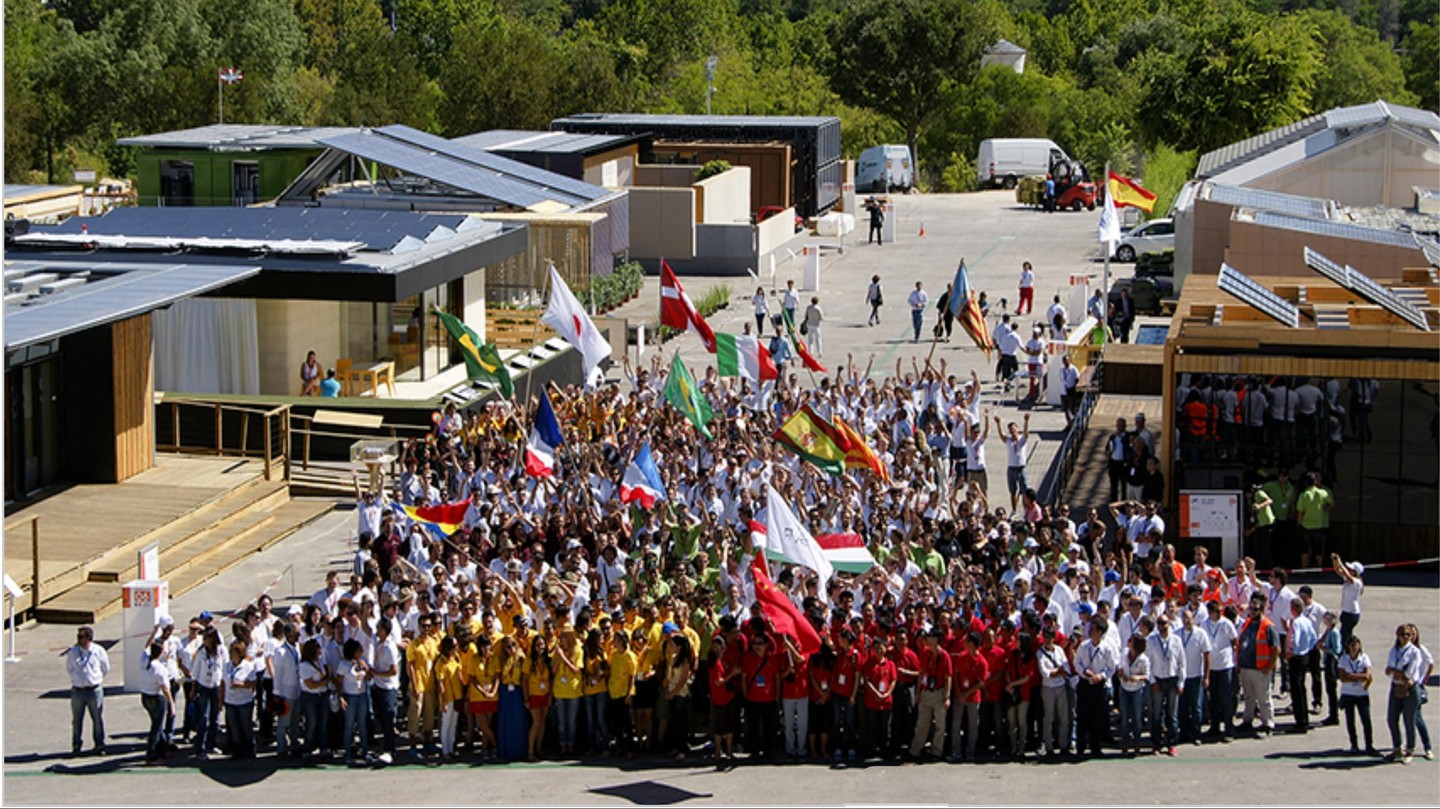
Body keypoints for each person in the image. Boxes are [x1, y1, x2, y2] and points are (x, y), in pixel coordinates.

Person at [1237, 593, 1279, 736]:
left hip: (1261, 669)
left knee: (1264, 698)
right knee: (1248, 697)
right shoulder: (1247, 624)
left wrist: (1269, 667)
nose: (1251, 612)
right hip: (1246, 666)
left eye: (1255, 610)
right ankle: (1247, 720)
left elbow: (1275, 649)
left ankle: (1268, 724)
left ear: (1261, 611)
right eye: (1250, 609)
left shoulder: (1268, 627)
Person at [66, 626, 109, 757]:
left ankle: (99, 745)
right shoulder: (73, 652)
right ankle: (76, 746)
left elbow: (105, 667)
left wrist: (95, 679)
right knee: (77, 720)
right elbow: (69, 668)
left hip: (94, 690)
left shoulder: (98, 651)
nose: (78, 640)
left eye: (81, 637)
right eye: (78, 637)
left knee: (97, 718)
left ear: (89, 638)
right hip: (78, 690)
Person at [1385, 623, 1423, 763]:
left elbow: (1409, 673)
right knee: (1392, 719)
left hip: (1409, 690)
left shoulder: (1415, 652)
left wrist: (1397, 673)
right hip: (1396, 686)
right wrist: (1396, 673)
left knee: (1409, 720)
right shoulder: (1394, 650)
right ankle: (1397, 748)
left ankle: (1410, 749)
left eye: (1407, 635)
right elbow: (1388, 670)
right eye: (1402, 635)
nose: (1405, 637)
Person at [1338, 634, 1377, 755]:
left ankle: (1369, 745)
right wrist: (1359, 677)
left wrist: (1352, 676)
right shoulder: (1344, 659)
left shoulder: (1364, 658)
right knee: (1350, 721)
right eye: (1352, 645)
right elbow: (1342, 678)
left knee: (1366, 720)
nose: (1354, 648)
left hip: (1361, 694)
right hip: (1348, 694)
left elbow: (1368, 675)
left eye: (1356, 645)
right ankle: (1354, 745)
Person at [139, 641, 176, 764]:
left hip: (145, 696)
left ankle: (163, 748)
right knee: (157, 727)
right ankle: (152, 755)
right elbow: (165, 688)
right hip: (156, 698)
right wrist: (171, 704)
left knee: (156, 724)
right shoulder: (160, 668)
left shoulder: (144, 661)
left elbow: (146, 645)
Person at [222, 639, 257, 759]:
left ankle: (250, 750)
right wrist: (221, 699)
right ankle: (237, 752)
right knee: (234, 728)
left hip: (244, 701)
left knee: (246, 727)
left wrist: (242, 685)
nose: (233, 656)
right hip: (230, 701)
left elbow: (254, 683)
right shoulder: (227, 666)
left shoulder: (247, 666)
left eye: (235, 653)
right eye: (231, 653)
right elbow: (223, 682)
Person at [1117, 634, 1150, 757]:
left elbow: (1147, 675)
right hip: (1124, 688)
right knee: (1125, 718)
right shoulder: (1124, 653)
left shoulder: (1143, 659)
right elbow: (1119, 666)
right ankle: (1125, 744)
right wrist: (1121, 674)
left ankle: (1137, 744)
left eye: (1131, 641)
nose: (1128, 642)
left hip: (1137, 689)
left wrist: (1137, 677)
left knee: (1137, 718)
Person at [996, 413, 1031, 512]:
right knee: (1012, 492)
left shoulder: (1022, 440)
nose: (1013, 431)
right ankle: (1014, 510)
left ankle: (1026, 511)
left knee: (1024, 492)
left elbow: (1026, 433)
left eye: (1014, 429)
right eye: (1011, 430)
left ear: (1017, 429)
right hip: (1011, 468)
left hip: (1021, 468)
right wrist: (998, 424)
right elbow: (1001, 435)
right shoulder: (1008, 440)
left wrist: (1026, 421)